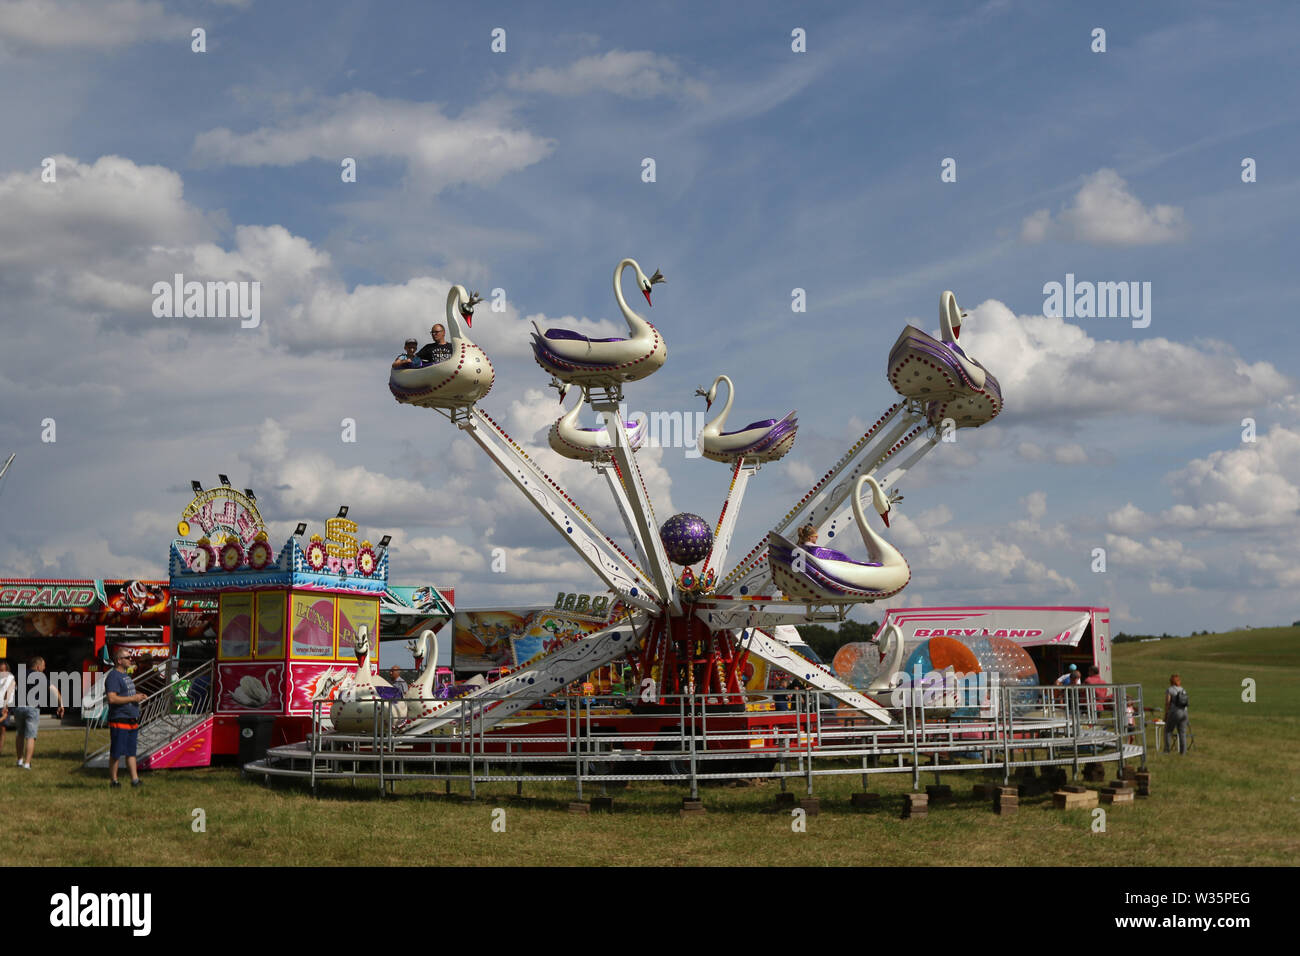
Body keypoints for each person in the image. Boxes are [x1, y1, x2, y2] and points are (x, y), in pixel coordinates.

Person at [105, 651, 147, 787]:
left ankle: (135, 780)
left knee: (131, 752)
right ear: (119, 661)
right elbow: (112, 698)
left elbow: (127, 695)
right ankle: (114, 780)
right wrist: (133, 698)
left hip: (131, 718)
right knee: (116, 752)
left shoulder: (126, 676)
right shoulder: (113, 676)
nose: (131, 659)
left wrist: (138, 696)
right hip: (119, 718)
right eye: (128, 658)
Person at [15, 656, 64, 769]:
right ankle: (27, 764)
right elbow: (54, 689)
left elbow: (13, 687)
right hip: (32, 709)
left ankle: (19, 761)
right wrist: (61, 704)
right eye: (43, 666)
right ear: (37, 667)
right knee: (31, 736)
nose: (44, 668)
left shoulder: (20, 674)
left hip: (18, 708)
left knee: (20, 734)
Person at [1164, 673, 1190, 755]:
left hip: (1175, 712)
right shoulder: (1183, 689)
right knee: (1182, 732)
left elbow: (1167, 703)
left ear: (1171, 681)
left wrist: (1166, 714)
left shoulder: (1170, 690)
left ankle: (1167, 751)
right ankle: (1183, 752)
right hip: (1185, 712)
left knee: (1168, 731)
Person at [0, 660, 14, 756]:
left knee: (2, 729)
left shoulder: (11, 678)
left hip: (4, 706)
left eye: (3, 670)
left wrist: (7, 706)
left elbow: (10, 693)